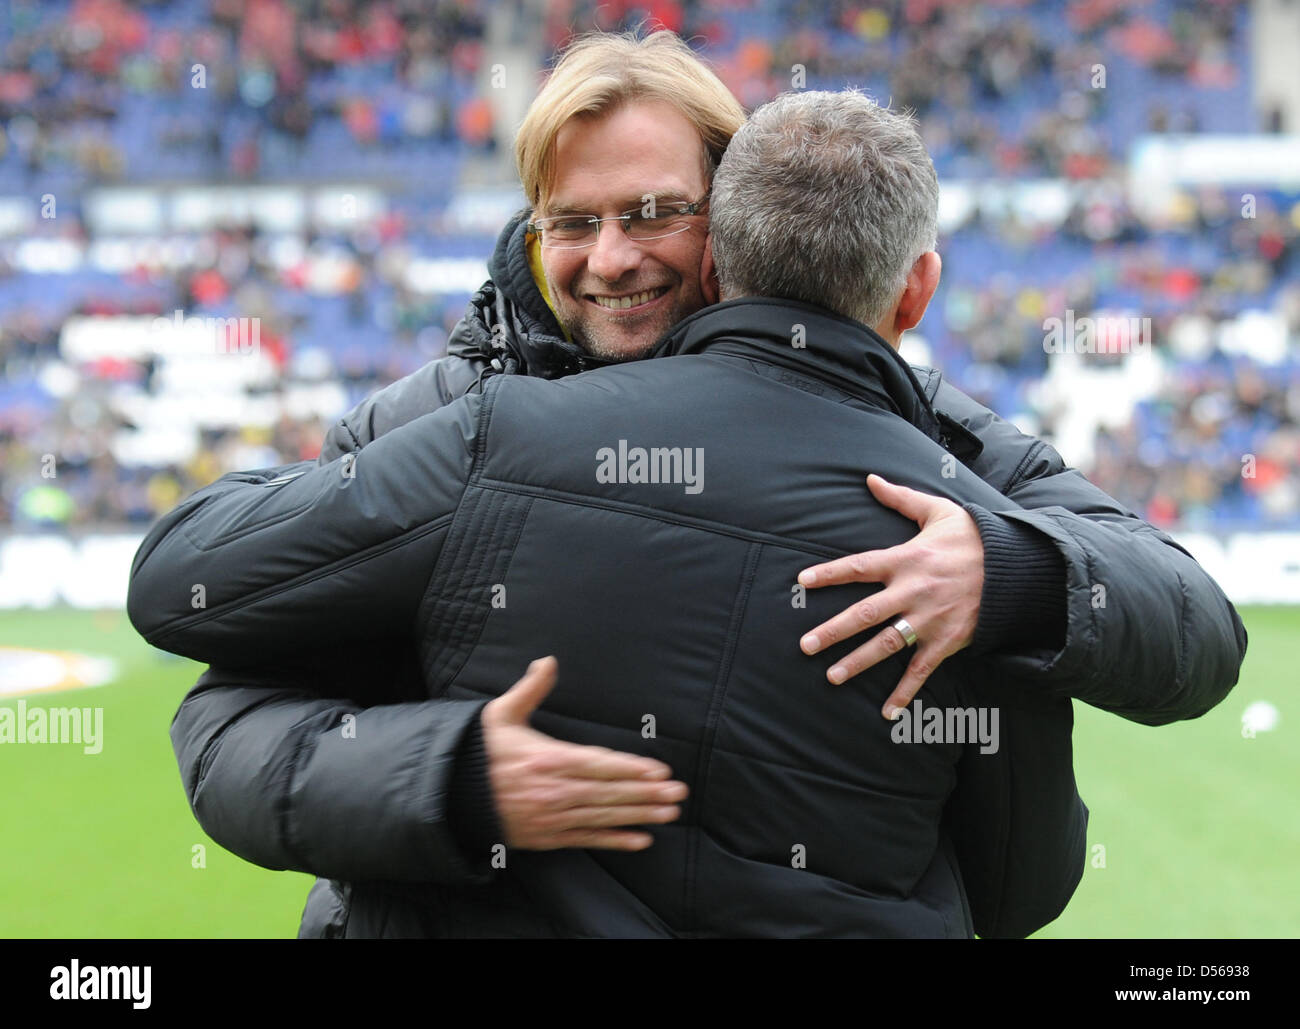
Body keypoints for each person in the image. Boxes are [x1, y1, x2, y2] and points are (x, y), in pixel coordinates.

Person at [135, 30, 1245, 937]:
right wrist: (440, 777)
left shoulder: (921, 433)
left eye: (654, 212)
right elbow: (226, 703)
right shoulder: (442, 425)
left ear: (731, 222)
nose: (610, 258)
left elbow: (1191, 621)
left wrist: (1014, 572)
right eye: (571, 222)